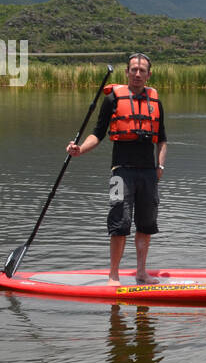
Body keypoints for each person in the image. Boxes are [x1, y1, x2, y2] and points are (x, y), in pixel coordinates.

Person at [66, 53, 167, 285]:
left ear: (149, 74)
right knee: (118, 222)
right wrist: (80, 149)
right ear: (127, 73)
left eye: (142, 70)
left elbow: (162, 139)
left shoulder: (156, 102)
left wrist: (160, 165)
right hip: (120, 172)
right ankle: (113, 274)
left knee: (146, 223)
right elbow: (98, 132)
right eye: (134, 69)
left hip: (148, 173)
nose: (138, 74)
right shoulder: (112, 100)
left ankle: (141, 272)